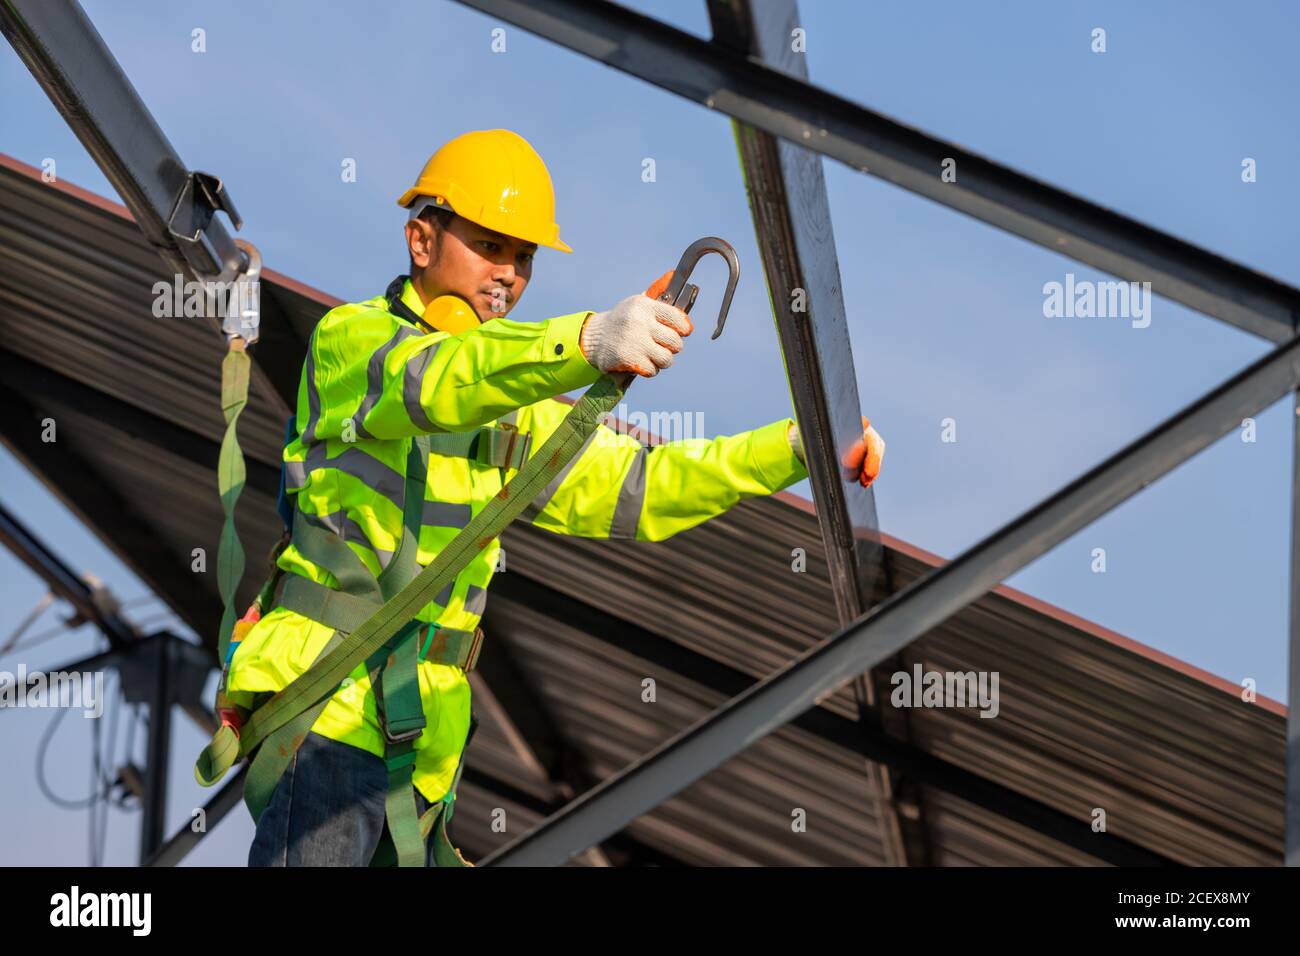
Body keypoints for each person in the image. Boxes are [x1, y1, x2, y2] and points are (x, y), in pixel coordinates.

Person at [226, 128, 885, 866]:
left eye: (524, 255)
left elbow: (643, 487)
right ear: (420, 240)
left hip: (418, 751)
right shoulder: (355, 343)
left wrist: (798, 450)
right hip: (328, 714)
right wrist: (586, 340)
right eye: (490, 245)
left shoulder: (517, 409)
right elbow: (444, 380)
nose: (509, 271)